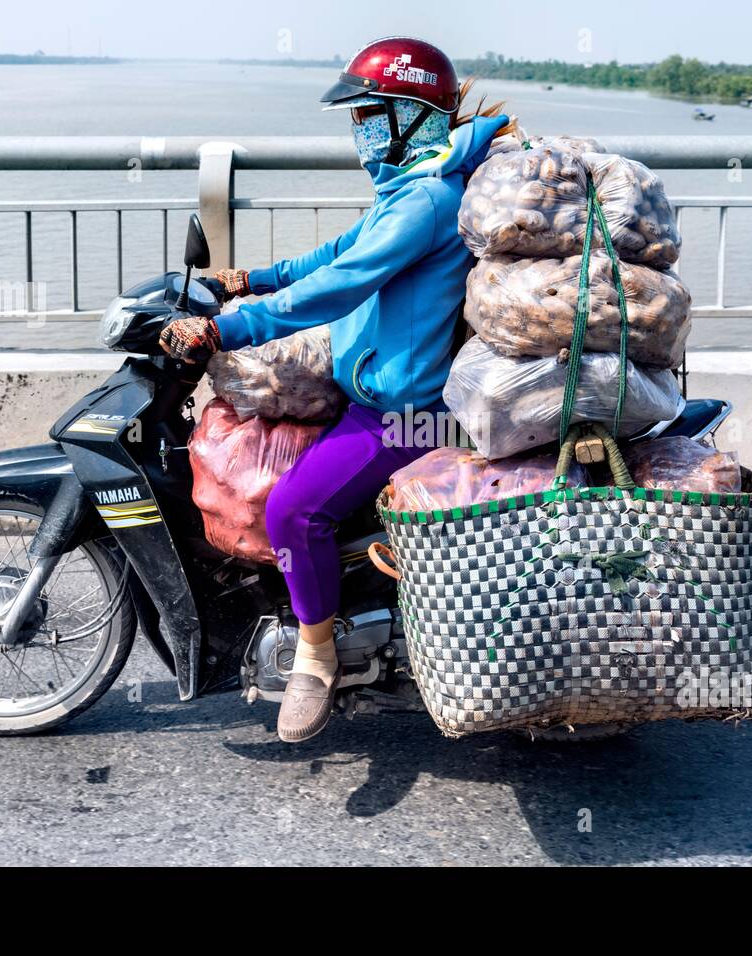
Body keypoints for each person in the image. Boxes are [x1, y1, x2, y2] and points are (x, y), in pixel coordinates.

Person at [159, 36, 515, 742]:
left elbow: (341, 286)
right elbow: (335, 255)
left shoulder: (427, 200)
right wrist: (250, 278)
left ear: (412, 115)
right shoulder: (410, 189)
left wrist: (228, 329)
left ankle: (316, 657)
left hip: (402, 415)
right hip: (370, 397)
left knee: (293, 511)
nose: (360, 131)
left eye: (369, 115)